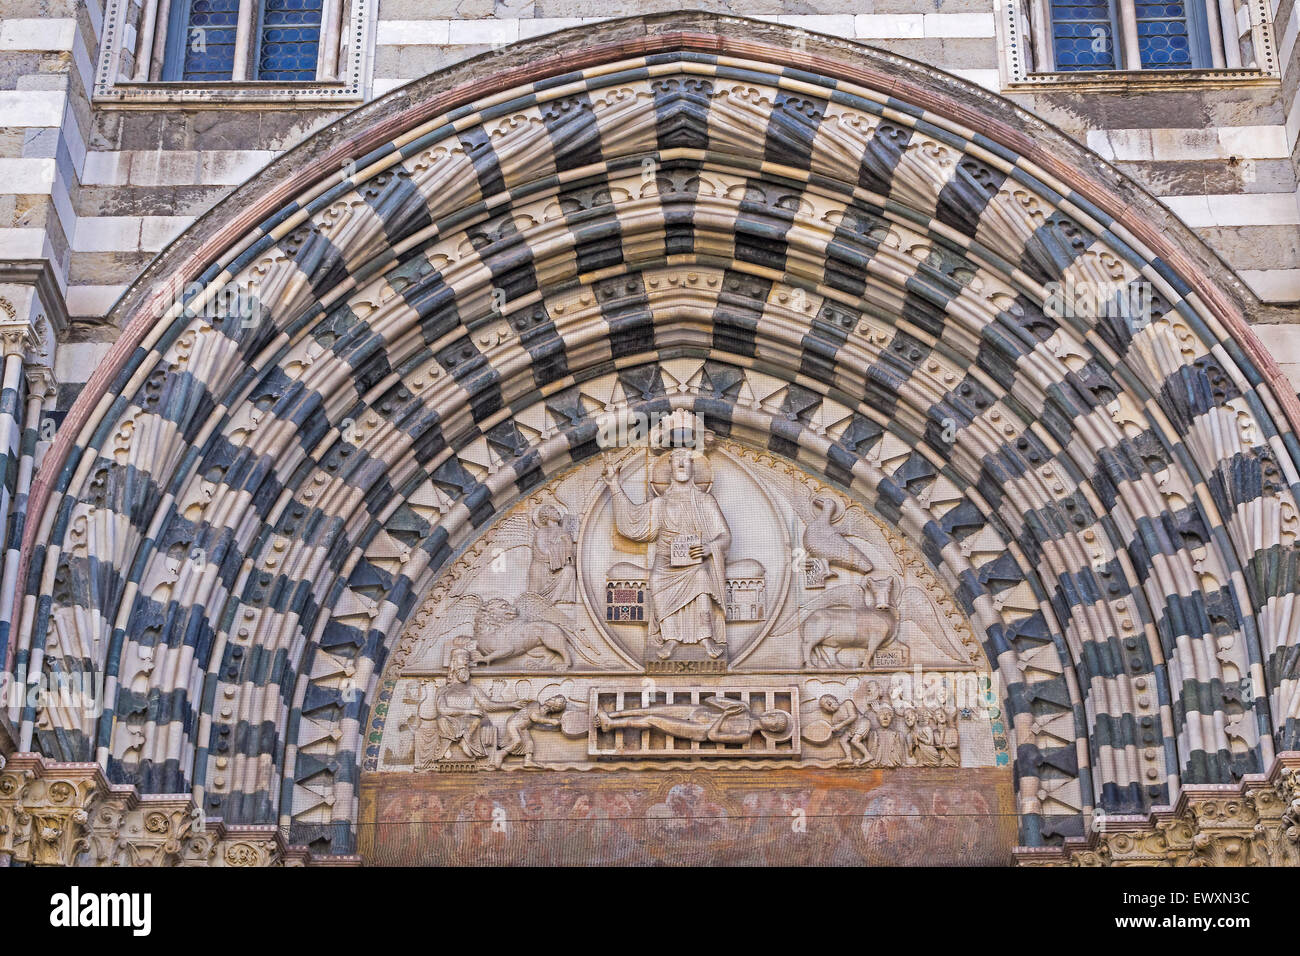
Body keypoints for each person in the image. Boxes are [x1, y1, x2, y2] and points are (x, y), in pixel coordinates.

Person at [603, 447, 731, 659]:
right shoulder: (660, 503)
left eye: (686, 460)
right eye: (676, 460)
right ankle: (670, 638)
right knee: (656, 579)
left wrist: (710, 547)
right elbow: (632, 523)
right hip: (666, 560)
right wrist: (614, 484)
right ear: (669, 467)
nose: (681, 464)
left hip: (696, 560)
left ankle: (705, 637)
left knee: (701, 576)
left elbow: (725, 536)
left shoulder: (705, 501)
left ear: (693, 467)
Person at [596, 695, 791, 745]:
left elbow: (713, 736)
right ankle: (612, 715)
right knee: (652, 709)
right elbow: (710, 700)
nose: (770, 718)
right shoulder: (744, 708)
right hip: (698, 711)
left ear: (772, 730)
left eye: (774, 723)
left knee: (652, 719)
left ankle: (610, 724)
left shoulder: (745, 735)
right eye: (774, 715)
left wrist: (725, 716)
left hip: (697, 729)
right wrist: (728, 706)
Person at [493, 696, 567, 768]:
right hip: (514, 723)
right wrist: (551, 721)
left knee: (529, 743)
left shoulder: (544, 716)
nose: (557, 706)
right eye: (558, 704)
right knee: (517, 740)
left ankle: (528, 761)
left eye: (559, 706)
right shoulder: (535, 704)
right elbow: (534, 717)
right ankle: (501, 753)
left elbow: (537, 726)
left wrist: (555, 729)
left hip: (523, 728)